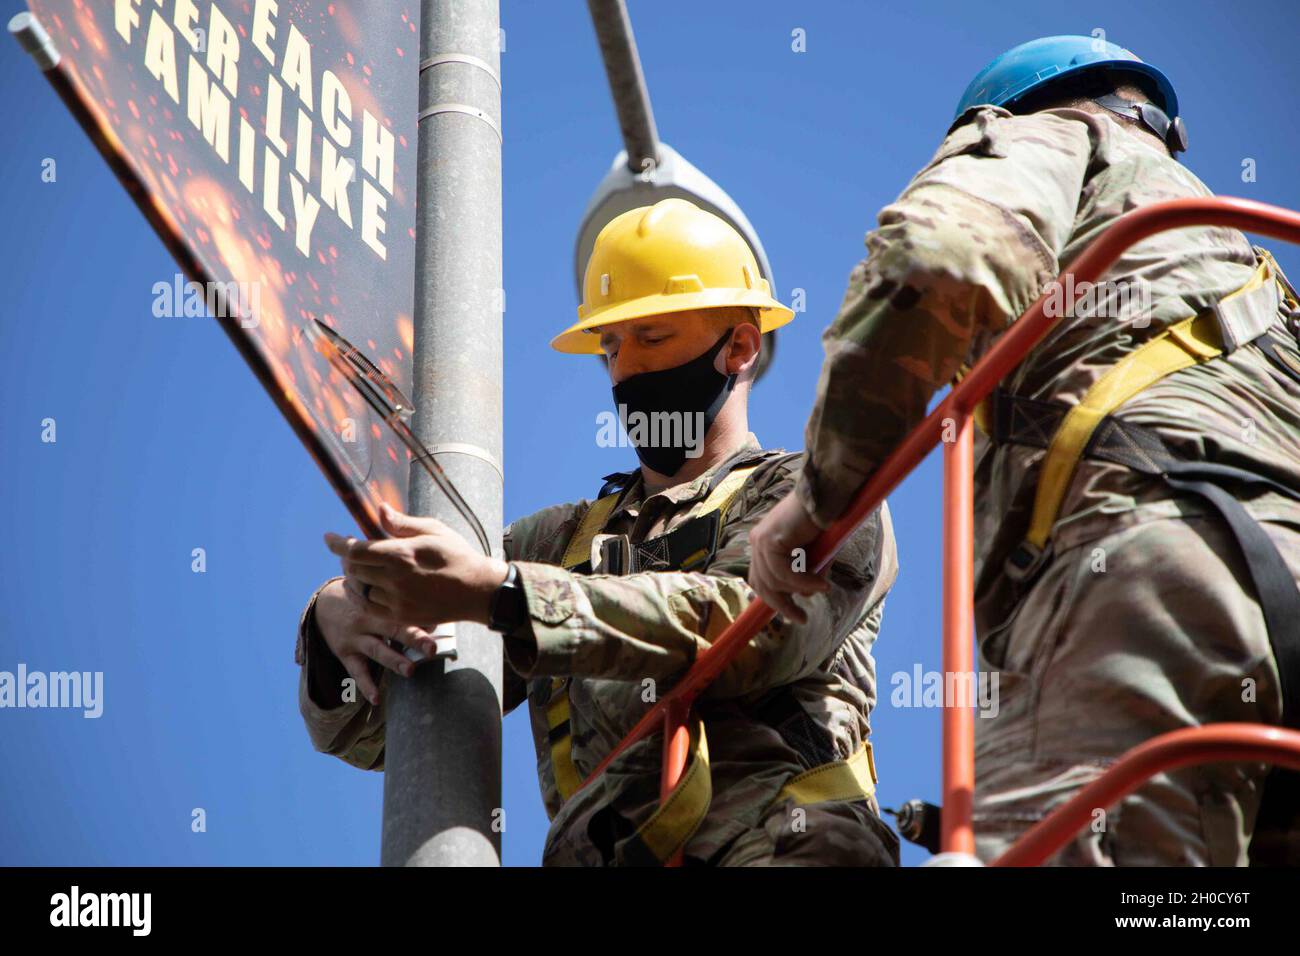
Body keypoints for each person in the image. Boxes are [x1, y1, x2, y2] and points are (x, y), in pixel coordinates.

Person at [748, 36, 1300, 865]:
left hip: (1152, 564)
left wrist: (819, 499)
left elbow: (940, 257)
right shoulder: (1253, 276)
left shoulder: (1054, 133)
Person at [295, 197, 901, 865]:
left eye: (653, 337)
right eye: (611, 346)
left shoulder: (814, 496)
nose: (625, 369)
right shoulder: (558, 544)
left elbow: (753, 631)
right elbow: (377, 733)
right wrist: (334, 620)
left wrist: (502, 596)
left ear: (739, 346)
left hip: (777, 846)